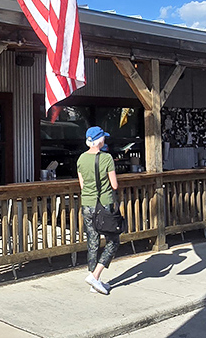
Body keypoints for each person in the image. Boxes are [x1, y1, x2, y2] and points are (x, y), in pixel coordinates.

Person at [77, 126, 120, 295]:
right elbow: (114, 184)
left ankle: (93, 279)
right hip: (104, 204)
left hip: (87, 203)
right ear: (100, 141)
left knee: (92, 241)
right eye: (103, 138)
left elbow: (82, 185)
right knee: (113, 240)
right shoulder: (107, 158)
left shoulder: (81, 159)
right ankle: (95, 276)